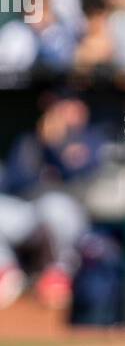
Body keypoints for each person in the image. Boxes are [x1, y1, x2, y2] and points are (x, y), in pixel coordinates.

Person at [0, 93, 103, 310]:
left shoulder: (91, 139)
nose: (62, 113)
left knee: (55, 206)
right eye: (58, 107)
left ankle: (58, 273)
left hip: (72, 214)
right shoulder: (30, 140)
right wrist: (40, 144)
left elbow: (76, 173)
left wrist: (55, 146)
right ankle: (6, 271)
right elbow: (14, 181)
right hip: (31, 212)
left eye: (69, 106)